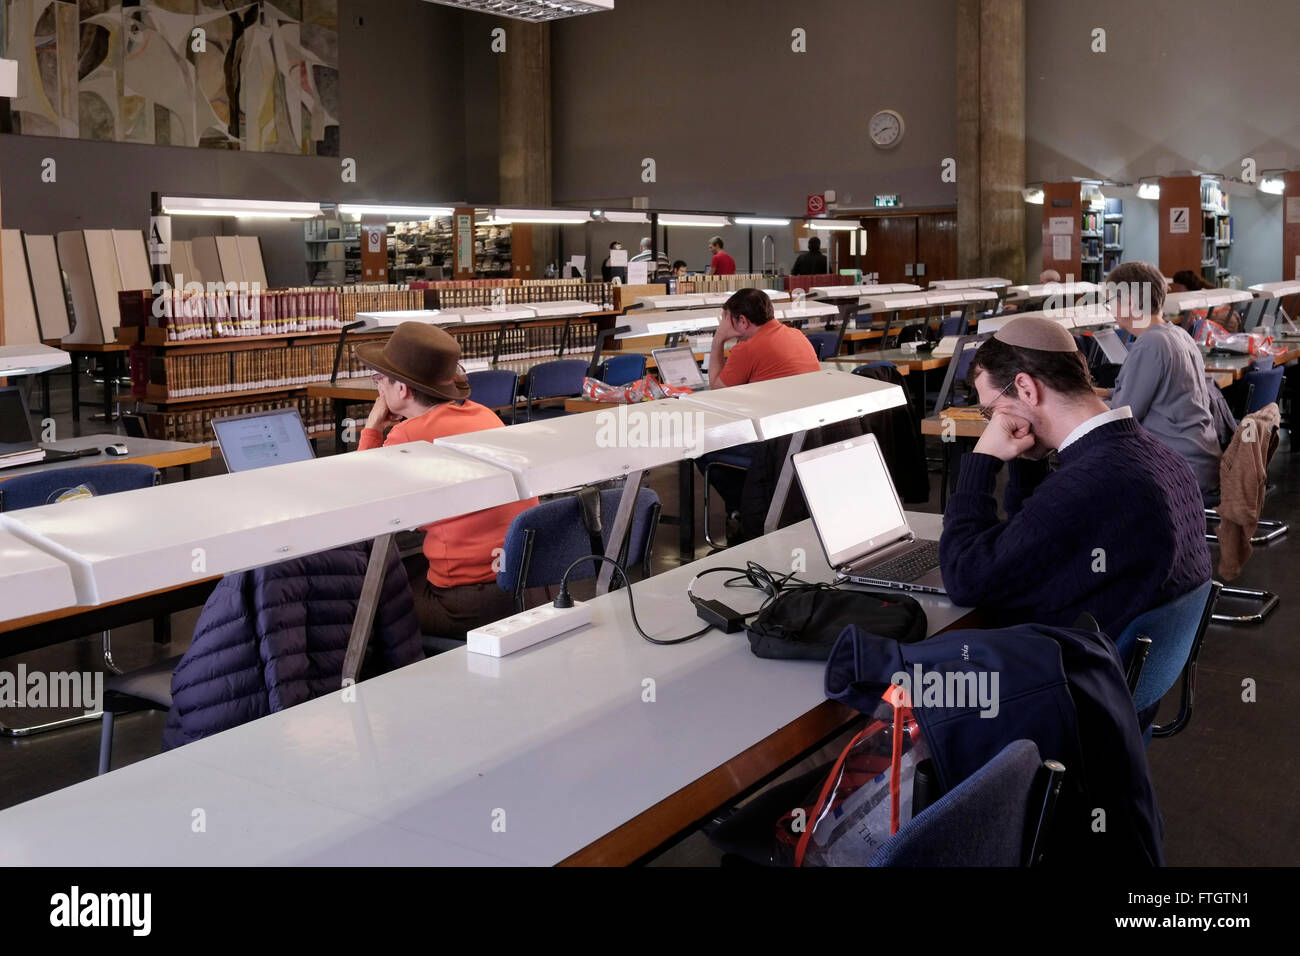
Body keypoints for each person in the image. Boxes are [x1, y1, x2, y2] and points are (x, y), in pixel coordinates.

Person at [939, 315, 1212, 638]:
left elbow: (965, 577)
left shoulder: (1088, 484)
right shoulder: (1159, 455)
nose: (992, 423)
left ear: (1026, 388)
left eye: (991, 410)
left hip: (1068, 674)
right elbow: (1032, 539)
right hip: (1120, 670)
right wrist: (1027, 459)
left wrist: (981, 461)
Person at [356, 323, 539, 640]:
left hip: (469, 604)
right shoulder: (484, 414)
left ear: (403, 389)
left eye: (380, 380)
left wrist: (372, 428)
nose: (378, 390)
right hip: (527, 587)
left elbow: (361, 504)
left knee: (365, 602)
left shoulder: (409, 435)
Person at [1095, 261, 1222, 498]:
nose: (1110, 308)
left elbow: (1123, 416)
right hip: (1200, 458)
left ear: (1131, 303)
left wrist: (1080, 403)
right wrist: (1104, 393)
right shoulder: (1178, 334)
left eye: (1111, 300)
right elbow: (1162, 391)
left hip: (1178, 468)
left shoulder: (1150, 344)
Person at [699, 288, 821, 529]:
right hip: (807, 438)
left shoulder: (749, 347)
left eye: (726, 320)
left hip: (772, 447)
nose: (724, 326)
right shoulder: (796, 335)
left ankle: (744, 506)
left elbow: (718, 390)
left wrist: (718, 340)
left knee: (701, 446)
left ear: (742, 320)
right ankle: (755, 502)